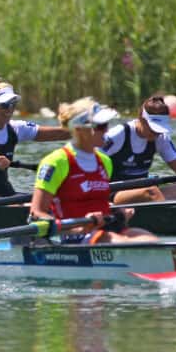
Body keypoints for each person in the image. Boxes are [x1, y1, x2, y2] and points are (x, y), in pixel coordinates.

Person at [29, 98, 157, 245]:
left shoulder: (104, 161)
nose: (107, 130)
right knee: (117, 240)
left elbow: (97, 202)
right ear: (80, 130)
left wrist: (117, 213)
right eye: (101, 126)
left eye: (106, 125)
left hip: (104, 231)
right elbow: (37, 214)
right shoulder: (56, 162)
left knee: (146, 236)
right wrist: (77, 228)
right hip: (75, 237)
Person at [102, 95, 176, 203]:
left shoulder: (161, 137)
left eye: (159, 130)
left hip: (144, 189)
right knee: (151, 191)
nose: (156, 134)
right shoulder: (119, 134)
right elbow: (90, 160)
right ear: (141, 118)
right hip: (114, 192)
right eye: (153, 129)